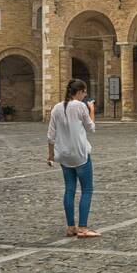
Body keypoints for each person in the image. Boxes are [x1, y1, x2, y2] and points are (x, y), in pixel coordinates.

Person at [47, 79, 99, 238]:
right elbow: (91, 128)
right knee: (87, 190)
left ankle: (71, 227)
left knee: (69, 189)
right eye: (85, 92)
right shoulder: (80, 106)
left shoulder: (56, 108)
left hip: (63, 155)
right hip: (80, 154)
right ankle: (83, 227)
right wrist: (92, 110)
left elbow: (50, 136)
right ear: (80, 91)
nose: (85, 95)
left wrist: (50, 155)